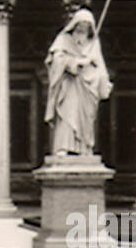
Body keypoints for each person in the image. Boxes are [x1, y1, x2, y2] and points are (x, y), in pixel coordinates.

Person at [44, 8, 112, 156]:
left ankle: (84, 147)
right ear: (74, 25)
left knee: (86, 119)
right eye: (81, 25)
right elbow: (56, 60)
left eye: (87, 26)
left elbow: (100, 66)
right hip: (69, 85)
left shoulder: (93, 43)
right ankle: (63, 147)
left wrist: (102, 78)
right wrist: (75, 63)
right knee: (67, 115)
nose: (83, 29)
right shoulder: (63, 40)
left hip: (88, 87)